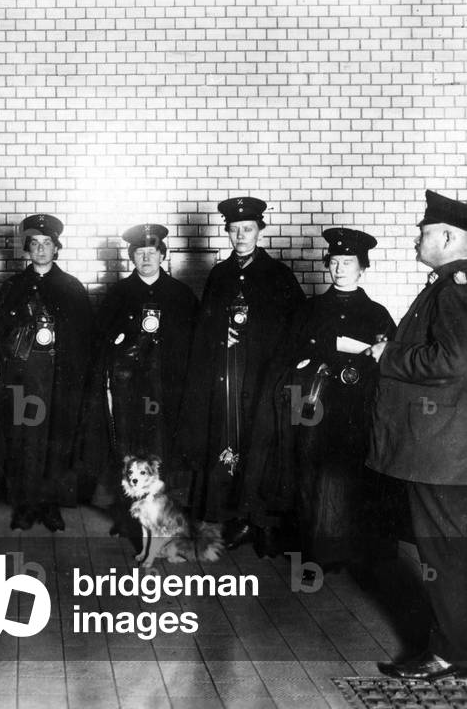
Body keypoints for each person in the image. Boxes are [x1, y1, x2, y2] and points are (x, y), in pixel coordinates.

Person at [247, 228, 396, 568]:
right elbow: (287, 353)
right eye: (335, 261)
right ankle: (316, 551)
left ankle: (354, 552)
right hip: (312, 406)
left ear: (363, 268)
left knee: (351, 474)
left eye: (348, 262)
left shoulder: (377, 313)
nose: (339, 268)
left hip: (356, 409)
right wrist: (332, 347)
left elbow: (389, 362)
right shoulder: (308, 309)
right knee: (309, 472)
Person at [369, 190, 467, 680]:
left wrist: (388, 355)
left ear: (447, 237)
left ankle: (450, 653)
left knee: (441, 554)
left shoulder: (454, 288)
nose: (417, 237)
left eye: (424, 230)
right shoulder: (452, 286)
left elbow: (453, 361)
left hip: (440, 452)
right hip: (452, 449)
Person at [174, 197, 304, 553]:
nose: (240, 236)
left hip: (264, 379)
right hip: (229, 377)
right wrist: (222, 335)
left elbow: (295, 328)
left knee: (261, 445)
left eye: (247, 229)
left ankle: (261, 520)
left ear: (260, 231)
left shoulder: (279, 275)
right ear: (228, 233)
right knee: (228, 443)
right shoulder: (220, 274)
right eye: (234, 230)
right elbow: (205, 326)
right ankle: (234, 516)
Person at [0, 214, 93, 532]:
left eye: (47, 244)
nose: (41, 249)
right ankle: (25, 506)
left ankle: (51, 506)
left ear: (57, 248)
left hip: (59, 380)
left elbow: (85, 340)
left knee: (56, 441)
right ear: (26, 249)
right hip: (22, 380)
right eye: (35, 244)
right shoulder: (13, 287)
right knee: (23, 442)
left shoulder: (71, 288)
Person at [94, 223, 198, 536]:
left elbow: (195, 342)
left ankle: (166, 514)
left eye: (152, 253)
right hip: (130, 389)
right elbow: (101, 338)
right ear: (132, 257)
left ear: (163, 255)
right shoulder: (118, 294)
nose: (146, 258)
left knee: (163, 447)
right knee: (129, 446)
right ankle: (128, 517)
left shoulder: (180, 295)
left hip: (167, 388)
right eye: (140, 253)